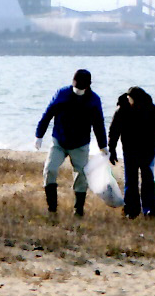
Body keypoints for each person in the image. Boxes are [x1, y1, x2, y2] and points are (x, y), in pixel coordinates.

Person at [34, 68, 108, 216]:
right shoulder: (62, 94)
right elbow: (48, 113)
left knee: (81, 175)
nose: (78, 90)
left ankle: (78, 209)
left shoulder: (94, 100)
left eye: (81, 88)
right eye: (76, 87)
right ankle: (52, 208)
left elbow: (98, 124)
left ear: (88, 86)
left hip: (80, 145)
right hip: (59, 142)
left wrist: (103, 146)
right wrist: (39, 135)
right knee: (50, 170)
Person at [108, 86, 155, 219]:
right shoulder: (122, 109)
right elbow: (114, 131)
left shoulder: (151, 109)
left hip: (148, 150)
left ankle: (149, 209)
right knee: (131, 181)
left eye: (132, 99)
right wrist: (112, 150)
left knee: (148, 180)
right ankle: (131, 210)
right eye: (129, 98)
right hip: (129, 151)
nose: (130, 101)